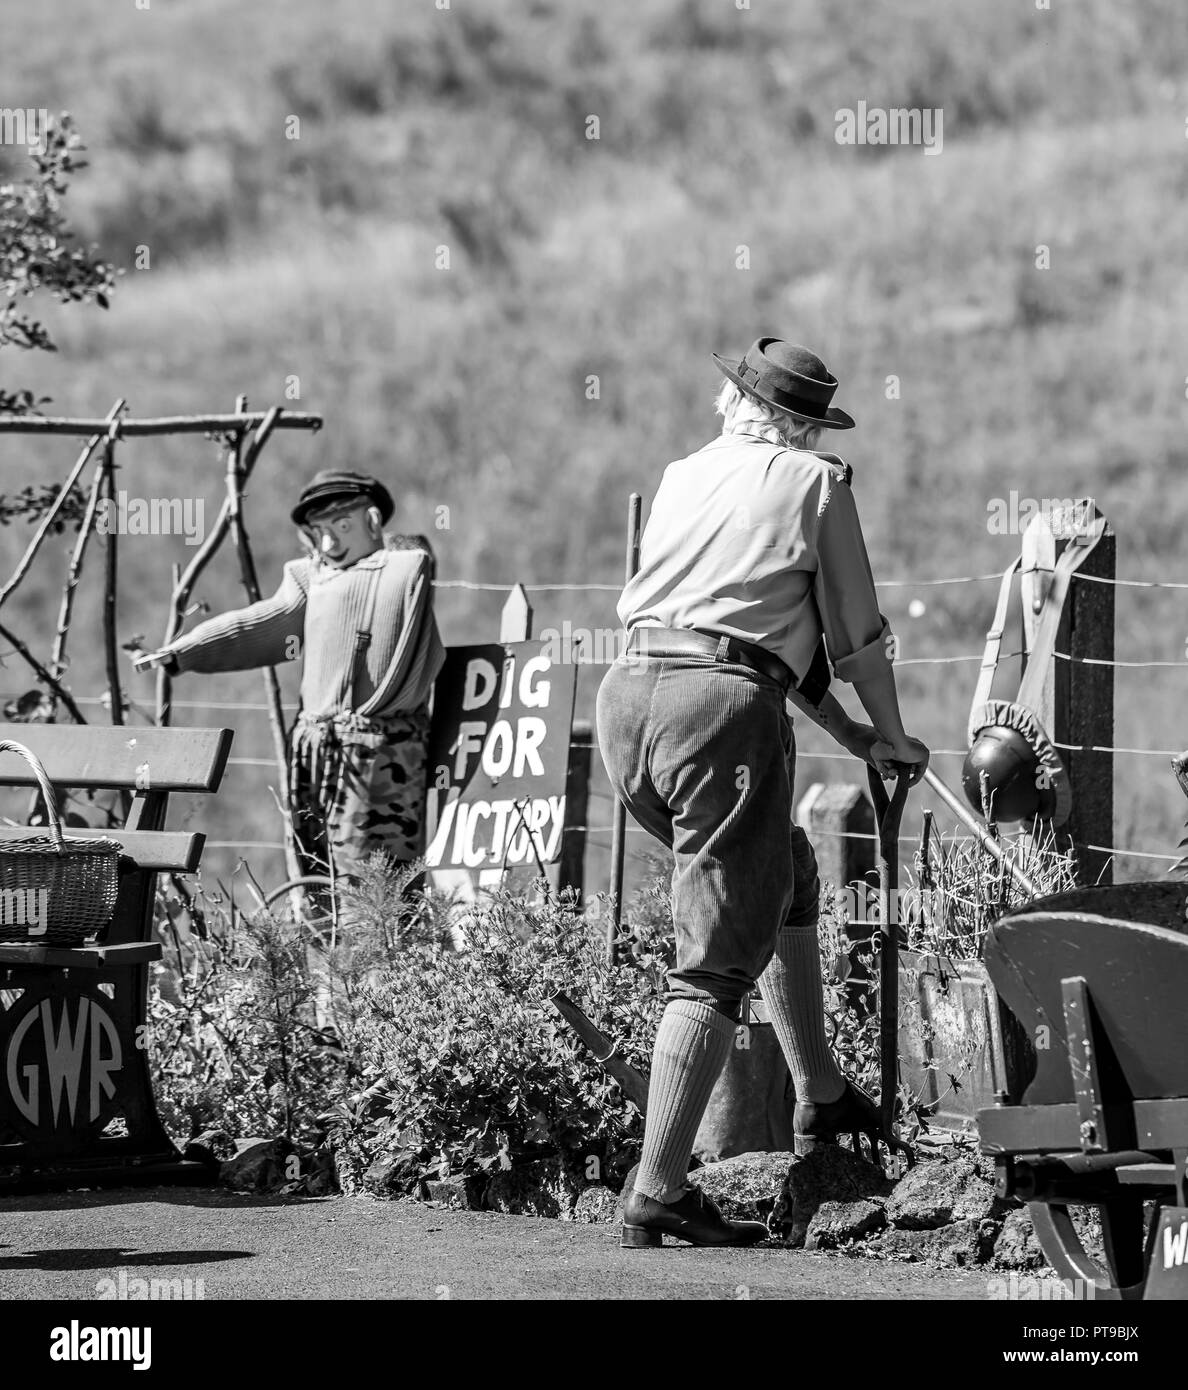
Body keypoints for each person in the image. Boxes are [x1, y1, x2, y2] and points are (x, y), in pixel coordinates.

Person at [597, 337, 930, 1248]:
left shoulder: (680, 474)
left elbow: (741, 629)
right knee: (712, 961)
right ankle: (658, 1189)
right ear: (805, 425)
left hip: (630, 701)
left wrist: (851, 739)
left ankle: (821, 1095)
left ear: (732, 401)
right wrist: (892, 733)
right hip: (722, 715)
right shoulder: (816, 485)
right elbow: (855, 638)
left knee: (782, 869)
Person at [133, 469, 445, 1027]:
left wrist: (389, 550)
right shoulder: (312, 581)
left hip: (377, 752)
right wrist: (187, 651)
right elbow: (261, 625)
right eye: (319, 531)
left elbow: (414, 565)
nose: (330, 541)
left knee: (375, 888)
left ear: (372, 520)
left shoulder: (400, 568)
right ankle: (334, 1016)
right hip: (316, 751)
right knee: (315, 883)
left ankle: (386, 1024)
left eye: (342, 524)